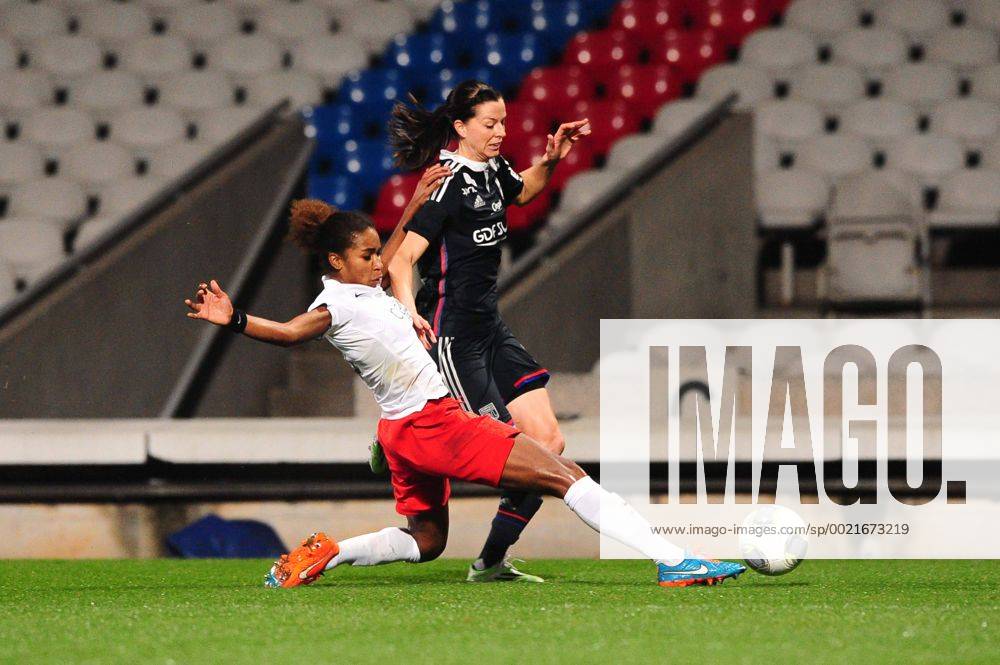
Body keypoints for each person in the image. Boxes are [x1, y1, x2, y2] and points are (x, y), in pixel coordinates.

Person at [183, 199, 745, 590]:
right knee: (563, 473)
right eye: (368, 256)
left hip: (403, 431)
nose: (380, 263)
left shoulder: (366, 285)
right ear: (336, 262)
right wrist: (234, 318)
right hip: (434, 425)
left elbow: (398, 244)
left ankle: (329, 552)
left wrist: (413, 208)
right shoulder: (338, 304)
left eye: (379, 253)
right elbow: (288, 334)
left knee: (427, 541)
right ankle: (674, 560)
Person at [383, 79, 591, 582]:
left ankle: (490, 561)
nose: (501, 132)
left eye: (503, 122)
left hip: (491, 329)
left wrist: (552, 159)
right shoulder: (447, 184)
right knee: (515, 453)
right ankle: (401, 444)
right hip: (453, 337)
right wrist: (409, 312)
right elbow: (403, 261)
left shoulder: (494, 171)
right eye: (490, 123)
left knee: (548, 443)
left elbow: (524, 190)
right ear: (460, 127)